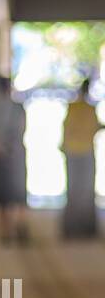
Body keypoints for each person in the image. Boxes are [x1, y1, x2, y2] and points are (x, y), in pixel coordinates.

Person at [0, 75, 28, 244]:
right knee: (18, 192)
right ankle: (21, 224)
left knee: (2, 195)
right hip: (16, 153)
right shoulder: (17, 107)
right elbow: (23, 127)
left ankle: (5, 231)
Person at [61, 75, 100, 238]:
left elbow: (65, 128)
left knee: (73, 190)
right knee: (86, 191)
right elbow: (95, 127)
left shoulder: (73, 107)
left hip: (73, 152)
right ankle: (86, 228)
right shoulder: (89, 109)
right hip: (85, 152)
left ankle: (72, 228)